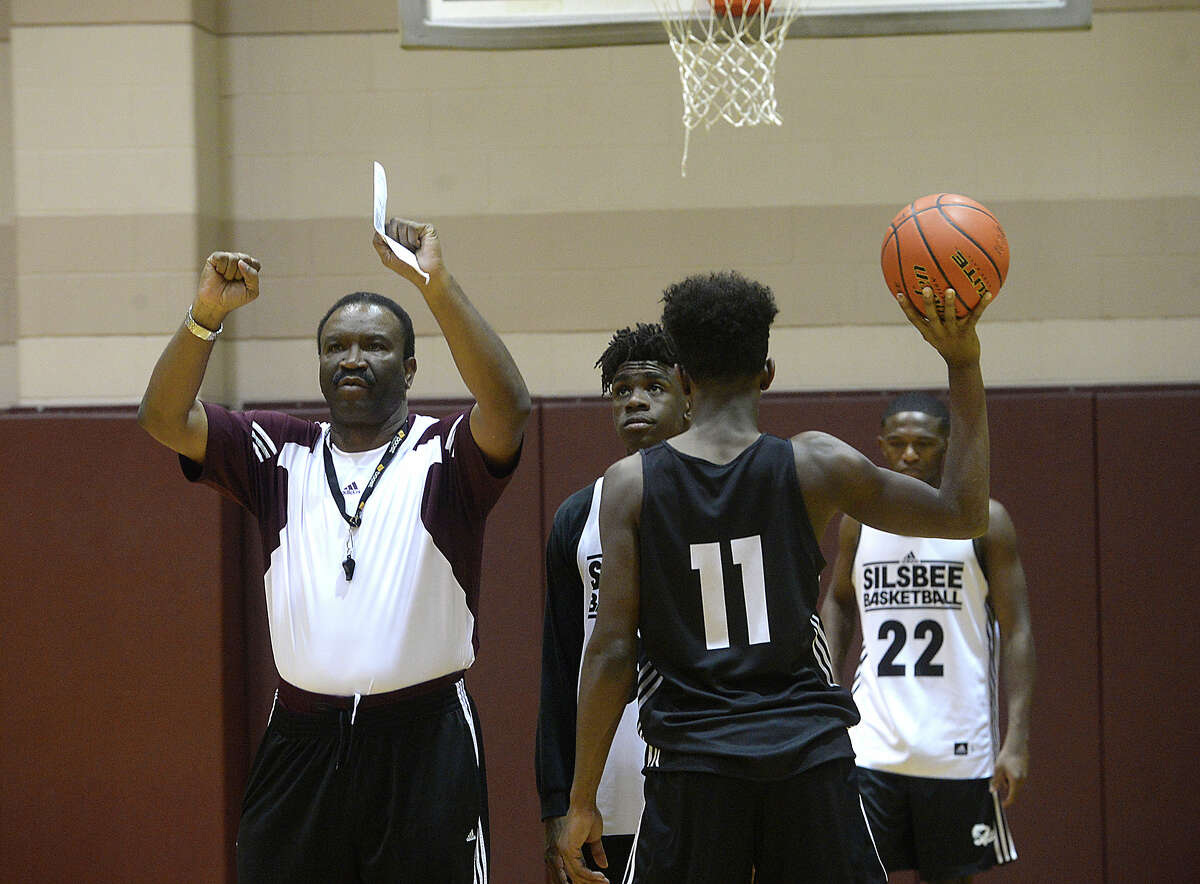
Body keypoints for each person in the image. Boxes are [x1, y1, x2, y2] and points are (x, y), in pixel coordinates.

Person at [559, 273, 994, 884]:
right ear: (767, 372)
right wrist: (963, 363)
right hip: (807, 759)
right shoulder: (816, 463)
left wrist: (582, 800)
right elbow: (964, 513)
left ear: (682, 377)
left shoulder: (630, 484)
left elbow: (610, 652)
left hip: (693, 764)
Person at [138, 219, 530, 883]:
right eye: (336, 346)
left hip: (422, 743)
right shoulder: (276, 450)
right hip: (302, 739)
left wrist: (435, 285)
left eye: (375, 345)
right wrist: (205, 316)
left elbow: (509, 406)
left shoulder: (446, 452)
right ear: (319, 364)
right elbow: (164, 418)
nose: (352, 358)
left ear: (409, 368)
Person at [820, 391, 1034, 884]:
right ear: (881, 446)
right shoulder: (859, 522)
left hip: (957, 748)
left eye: (924, 443)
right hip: (872, 743)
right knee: (854, 873)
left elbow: (1018, 630)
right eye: (898, 444)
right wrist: (827, 688)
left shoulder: (986, 522)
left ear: (948, 445)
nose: (910, 454)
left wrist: (1017, 740)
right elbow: (839, 599)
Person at [537, 324, 691, 884]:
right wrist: (557, 800)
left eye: (653, 386)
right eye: (622, 389)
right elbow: (561, 668)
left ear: (689, 397)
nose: (635, 400)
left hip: (700, 778)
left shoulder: (721, 501)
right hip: (603, 793)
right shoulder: (578, 515)